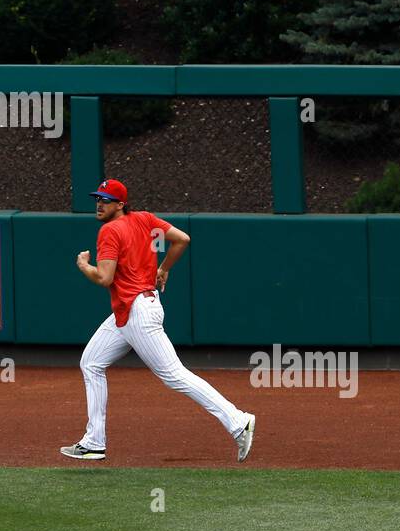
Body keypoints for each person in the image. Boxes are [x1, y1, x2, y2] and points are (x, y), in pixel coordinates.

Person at [61, 178, 256, 463]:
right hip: (132, 310)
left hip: (138, 312)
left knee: (175, 375)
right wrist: (164, 268)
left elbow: (104, 278)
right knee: (91, 362)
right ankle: (94, 442)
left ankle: (238, 422)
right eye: (97, 198)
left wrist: (83, 266)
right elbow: (182, 239)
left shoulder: (109, 231)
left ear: (120, 204)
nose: (99, 204)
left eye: (105, 199)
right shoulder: (144, 219)